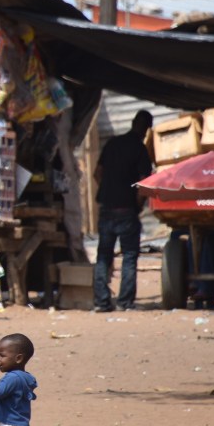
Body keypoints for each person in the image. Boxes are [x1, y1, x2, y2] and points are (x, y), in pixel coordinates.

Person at [93, 110, 153, 312]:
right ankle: (124, 302)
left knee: (103, 256)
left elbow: (97, 174)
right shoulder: (140, 149)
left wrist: (109, 191)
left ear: (133, 122)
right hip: (127, 210)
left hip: (106, 209)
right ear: (147, 129)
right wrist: (138, 204)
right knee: (129, 256)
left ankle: (101, 302)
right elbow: (144, 183)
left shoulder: (113, 144)